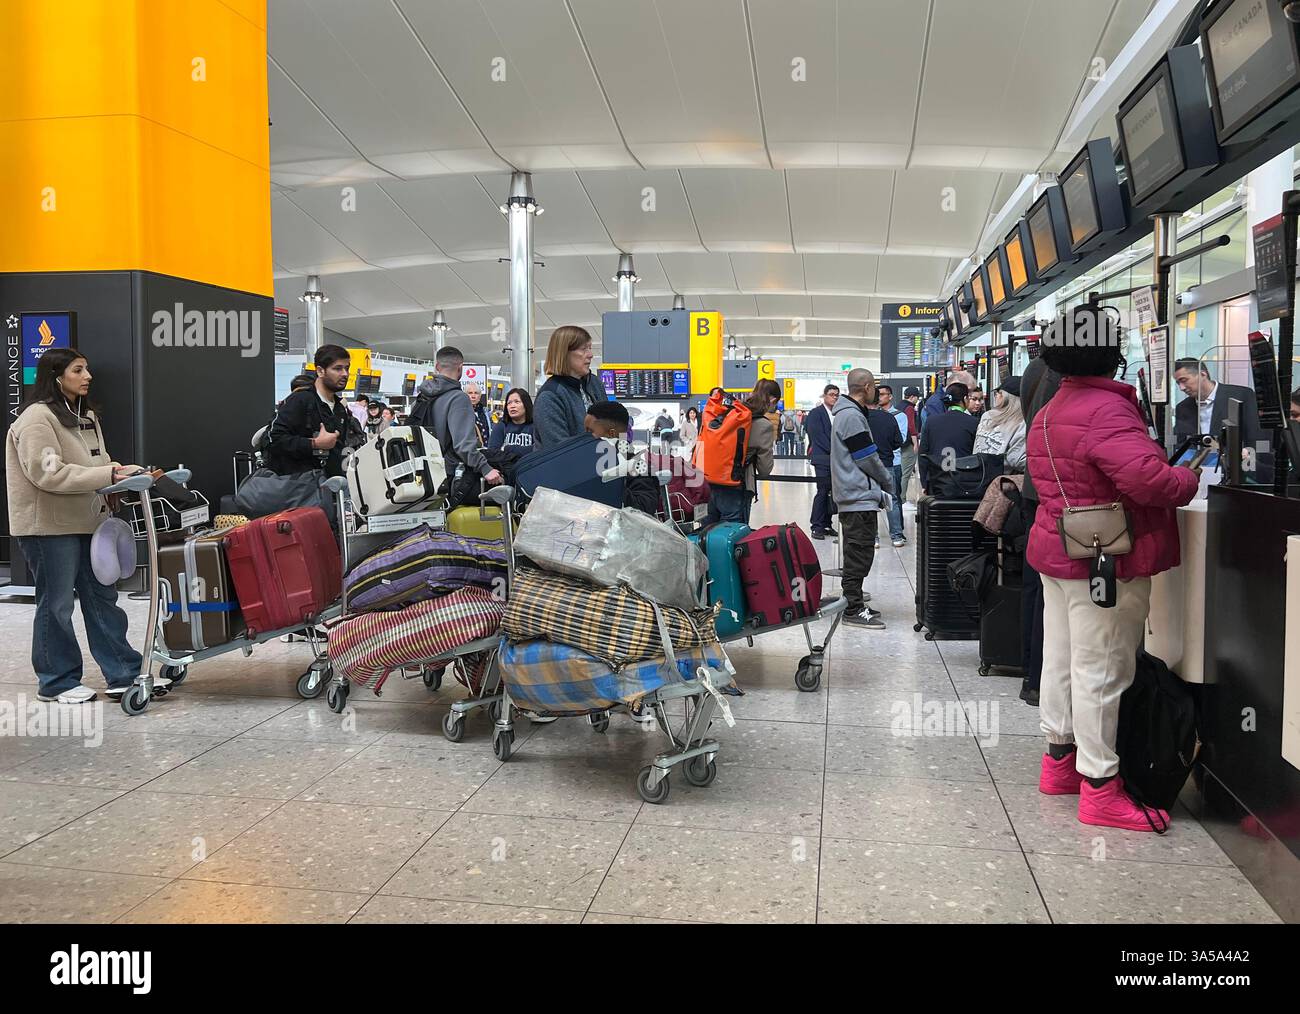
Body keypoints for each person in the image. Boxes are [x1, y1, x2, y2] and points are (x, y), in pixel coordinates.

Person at [1027, 308, 1199, 833]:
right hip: (1105, 559)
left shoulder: (1052, 407)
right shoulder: (1107, 409)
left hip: (1059, 551)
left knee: (1059, 660)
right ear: (1111, 352)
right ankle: (1101, 786)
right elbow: (1148, 481)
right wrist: (1186, 479)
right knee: (1102, 669)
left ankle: (1059, 762)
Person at [5, 348, 148, 704]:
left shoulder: (84, 415)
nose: (87, 376)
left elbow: (90, 463)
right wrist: (108, 473)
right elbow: (47, 473)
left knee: (102, 599)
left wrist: (116, 478)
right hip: (48, 528)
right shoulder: (37, 419)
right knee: (56, 604)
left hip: (88, 521)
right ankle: (56, 681)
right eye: (78, 370)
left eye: (87, 369)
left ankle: (123, 672)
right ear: (56, 376)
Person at [830, 369, 895, 628]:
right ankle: (853, 608)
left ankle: (854, 602)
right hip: (857, 495)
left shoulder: (848, 414)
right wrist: (887, 480)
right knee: (859, 552)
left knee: (859, 550)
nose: (875, 392)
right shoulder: (851, 416)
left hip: (856, 494)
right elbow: (867, 457)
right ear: (866, 386)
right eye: (874, 387)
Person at [1017, 355, 1061, 707]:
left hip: (1035, 488)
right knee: (1053, 590)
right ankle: (1039, 677)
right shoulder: (1059, 375)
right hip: (1059, 497)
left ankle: (1030, 671)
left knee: (1036, 584)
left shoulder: (1034, 367)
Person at [409, 346, 503, 495]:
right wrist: (486, 468)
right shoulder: (458, 398)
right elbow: (463, 445)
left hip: (422, 474)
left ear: (437, 366)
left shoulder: (421, 398)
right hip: (448, 477)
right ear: (461, 368)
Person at [266, 343, 353, 478]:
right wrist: (314, 443)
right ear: (320, 371)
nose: (345, 374)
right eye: (338, 369)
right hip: (298, 488)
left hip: (330, 489)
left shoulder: (340, 409)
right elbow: (274, 440)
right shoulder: (301, 400)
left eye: (347, 368)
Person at [533, 325, 609, 448]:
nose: (590, 354)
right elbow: (560, 452)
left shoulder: (594, 383)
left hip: (602, 462)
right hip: (567, 465)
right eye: (584, 349)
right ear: (564, 353)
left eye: (590, 348)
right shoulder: (550, 396)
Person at [584, 400, 661, 516]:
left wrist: (609, 481)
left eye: (590, 431)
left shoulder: (638, 469)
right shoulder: (584, 465)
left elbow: (643, 510)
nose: (585, 437)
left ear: (611, 434)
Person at [1173, 358, 1261, 454]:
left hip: (1236, 464)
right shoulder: (1182, 408)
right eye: (1178, 383)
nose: (1181, 388)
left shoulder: (1241, 396)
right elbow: (1181, 445)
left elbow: (1255, 436)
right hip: (1198, 466)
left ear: (1203, 374)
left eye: (1184, 380)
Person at [918, 382, 979, 495]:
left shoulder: (931, 422)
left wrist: (924, 482)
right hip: (964, 481)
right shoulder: (974, 423)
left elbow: (923, 453)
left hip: (937, 480)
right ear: (965, 399)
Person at [741, 379, 781, 524]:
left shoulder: (736, 412)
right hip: (739, 485)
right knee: (734, 535)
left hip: (712, 482)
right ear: (772, 399)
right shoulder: (763, 424)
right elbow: (765, 469)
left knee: (708, 537)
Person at [804, 384, 840, 540]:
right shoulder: (815, 413)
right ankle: (817, 526)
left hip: (836, 460)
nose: (834, 397)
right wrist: (836, 451)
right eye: (832, 394)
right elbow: (818, 437)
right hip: (823, 459)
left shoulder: (837, 413)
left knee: (832, 492)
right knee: (823, 491)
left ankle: (827, 523)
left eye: (837, 395)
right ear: (824, 396)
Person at [876, 385, 909, 547]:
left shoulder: (899, 416)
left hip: (894, 462)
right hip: (879, 462)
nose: (880, 397)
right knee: (880, 498)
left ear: (890, 396)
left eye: (882, 394)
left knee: (893, 498)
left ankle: (897, 532)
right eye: (878, 394)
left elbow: (901, 440)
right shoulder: (872, 416)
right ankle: (881, 535)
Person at [972, 376, 1027, 472]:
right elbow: (1016, 460)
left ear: (1003, 395)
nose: (996, 396)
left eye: (997, 393)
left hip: (977, 475)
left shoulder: (987, 416)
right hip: (999, 481)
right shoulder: (1021, 423)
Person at [488, 387, 536, 457]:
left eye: (517, 402)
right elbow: (492, 453)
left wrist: (507, 448)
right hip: (505, 467)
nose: (512, 406)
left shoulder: (535, 426)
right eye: (509, 403)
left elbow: (538, 450)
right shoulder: (501, 426)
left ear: (526, 404)